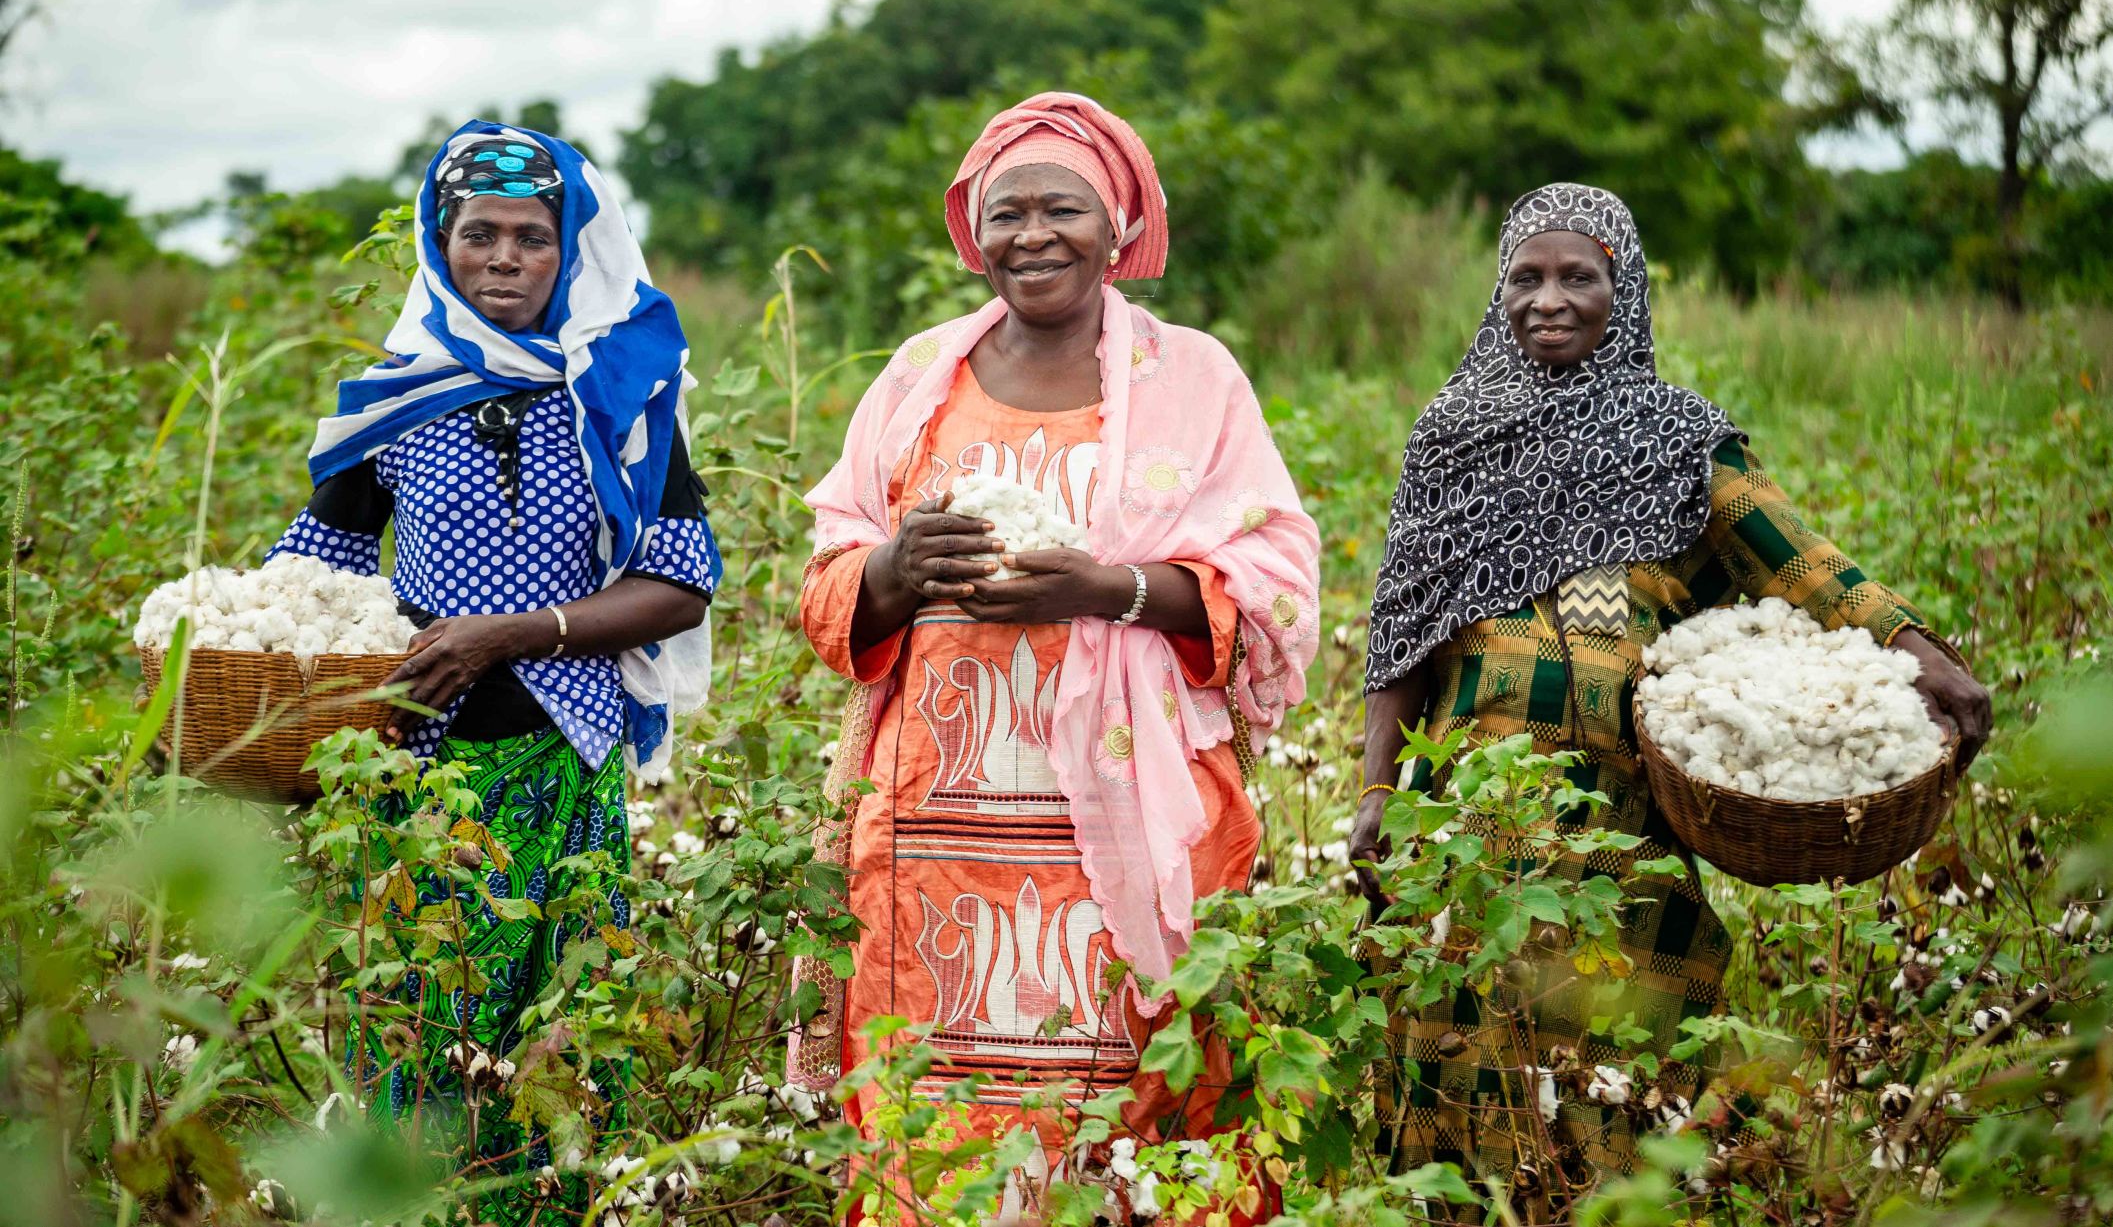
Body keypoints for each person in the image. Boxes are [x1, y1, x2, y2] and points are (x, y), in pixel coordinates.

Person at [1349, 182, 1990, 1204]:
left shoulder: (1678, 440)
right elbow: (1399, 638)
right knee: (1459, 1048)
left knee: (1630, 1051)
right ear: (1496, 290)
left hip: (1625, 822)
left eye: (1578, 276)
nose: (1546, 298)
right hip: (1465, 823)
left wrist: (1919, 650)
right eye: (1525, 275)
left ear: (1627, 290)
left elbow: (1795, 558)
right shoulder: (1451, 437)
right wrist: (1376, 790)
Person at [791, 92, 1320, 1219]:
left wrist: (1108, 587)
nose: (1032, 233)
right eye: (1005, 212)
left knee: (1130, 1096)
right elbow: (830, 571)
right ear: (971, 233)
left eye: (1061, 208)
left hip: (1121, 824)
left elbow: (1271, 576)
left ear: (1119, 224)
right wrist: (894, 566)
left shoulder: (1194, 379)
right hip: (938, 827)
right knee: (934, 1103)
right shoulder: (916, 378)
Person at [268, 122, 721, 1218]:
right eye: (479, 234)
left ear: (571, 250)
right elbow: (312, 574)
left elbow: (680, 579)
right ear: (441, 241)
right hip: (418, 791)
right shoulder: (397, 399)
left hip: (566, 769)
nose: (505, 257)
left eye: (532, 236)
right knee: (417, 1051)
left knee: (563, 1054)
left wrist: (503, 631)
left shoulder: (617, 392)